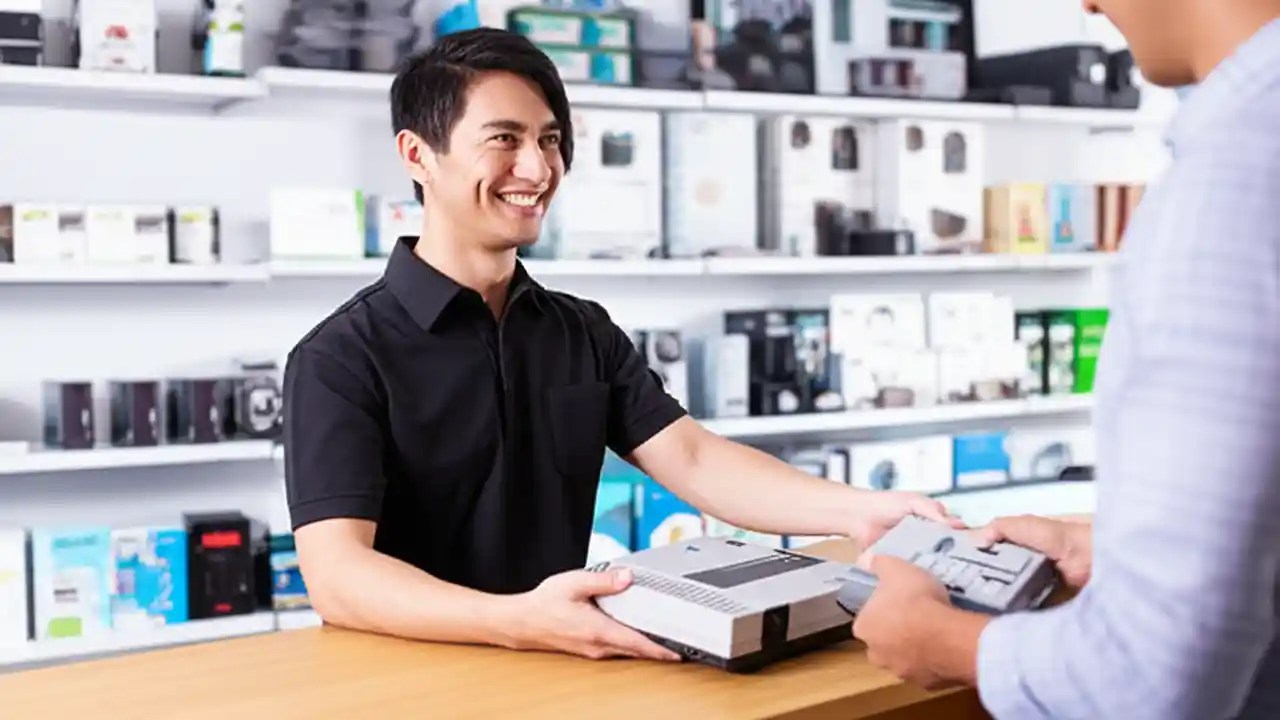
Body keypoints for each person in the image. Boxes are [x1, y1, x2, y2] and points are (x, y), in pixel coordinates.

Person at [282, 27, 958, 663]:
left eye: (550, 140)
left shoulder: (580, 331)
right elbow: (339, 578)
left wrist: (865, 509)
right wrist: (515, 620)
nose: (537, 167)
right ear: (416, 155)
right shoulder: (340, 358)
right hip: (405, 685)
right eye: (504, 138)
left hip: (564, 664)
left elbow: (694, 461)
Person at [850, 2, 1280, 718]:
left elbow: (1150, 682)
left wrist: (945, 642)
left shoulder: (1237, 177)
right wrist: (1121, 552)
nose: (1088, 4)